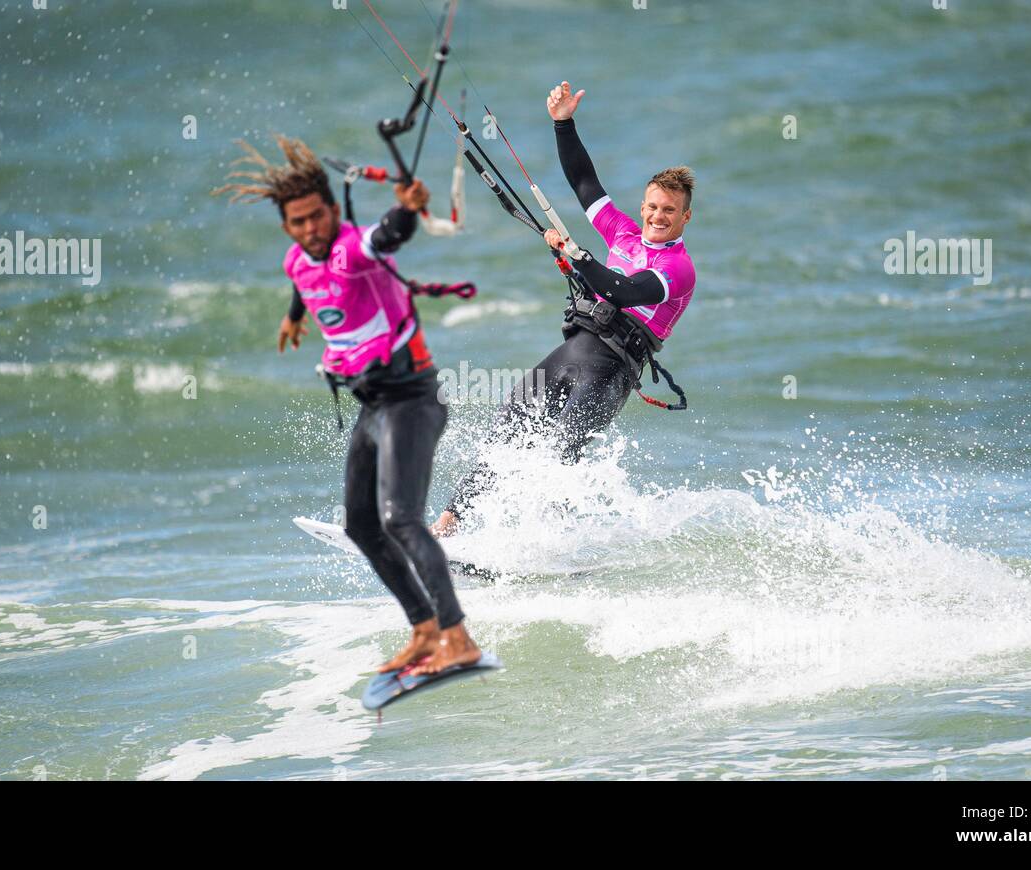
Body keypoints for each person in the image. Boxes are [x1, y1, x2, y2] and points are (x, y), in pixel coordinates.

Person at [214, 136, 479, 676]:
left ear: (334, 211)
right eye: (298, 222)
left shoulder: (356, 248)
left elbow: (387, 238)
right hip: (372, 408)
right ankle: (425, 631)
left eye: (317, 217)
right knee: (361, 526)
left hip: (411, 401)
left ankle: (458, 637)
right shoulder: (297, 259)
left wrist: (407, 209)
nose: (310, 230)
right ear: (287, 225)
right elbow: (303, 278)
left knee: (402, 521)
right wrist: (293, 316)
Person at [432, 81, 698, 536]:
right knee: (508, 430)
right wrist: (563, 123)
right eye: (653, 206)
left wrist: (576, 255)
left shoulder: (679, 267)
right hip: (575, 351)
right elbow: (583, 181)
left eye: (669, 210)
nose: (658, 216)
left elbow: (622, 291)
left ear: (685, 217)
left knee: (557, 453)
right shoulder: (623, 234)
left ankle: (544, 544)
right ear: (643, 206)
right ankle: (448, 524)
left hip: (611, 370)